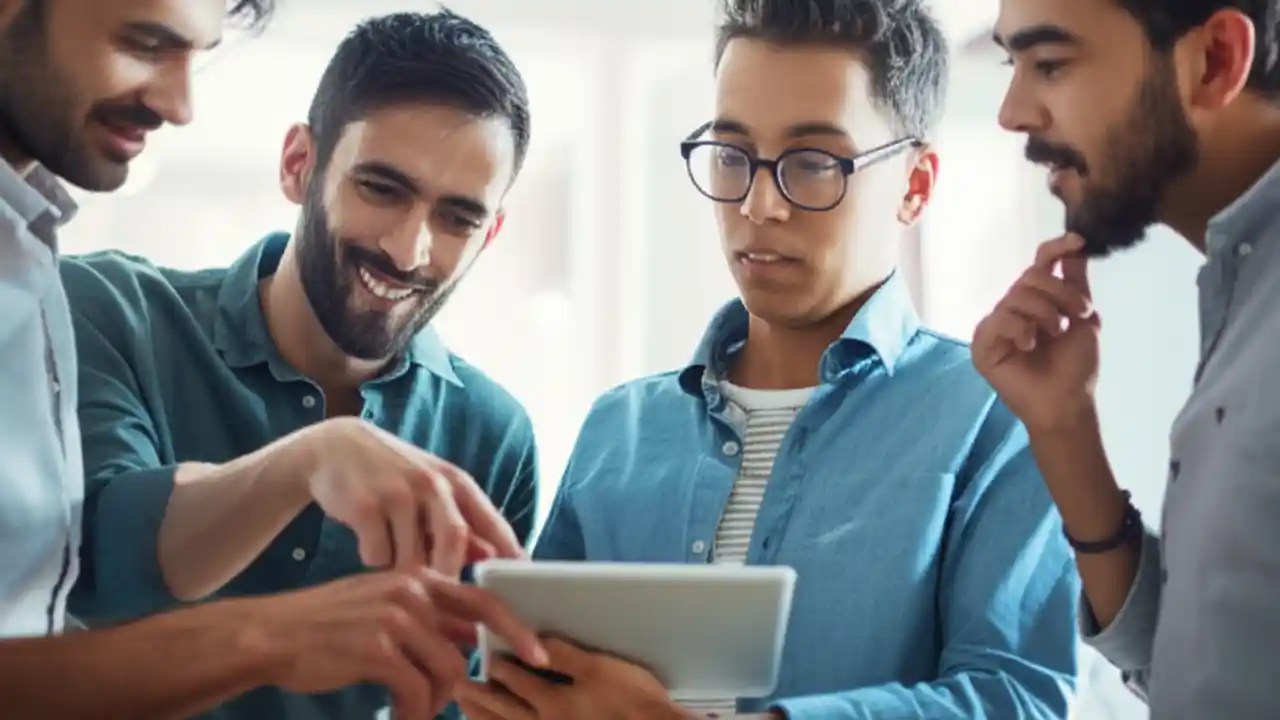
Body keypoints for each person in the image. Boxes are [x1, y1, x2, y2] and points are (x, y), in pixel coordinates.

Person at [458, 1, 1080, 719]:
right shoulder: (617, 432)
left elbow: (1018, 700)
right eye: (731, 156)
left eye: (813, 164)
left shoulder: (996, 415)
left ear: (915, 185)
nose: (759, 205)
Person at [0, 2, 544, 718]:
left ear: (491, 231)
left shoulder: (493, 433)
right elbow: (98, 562)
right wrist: (309, 459)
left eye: (458, 217)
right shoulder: (105, 308)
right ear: (299, 165)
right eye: (381, 189)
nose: (409, 249)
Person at [979, 1, 1280, 718]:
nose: (1013, 112)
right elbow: (1200, 666)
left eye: (1049, 64)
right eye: (1010, 65)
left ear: (1213, 62)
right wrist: (1064, 431)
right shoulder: (1241, 294)